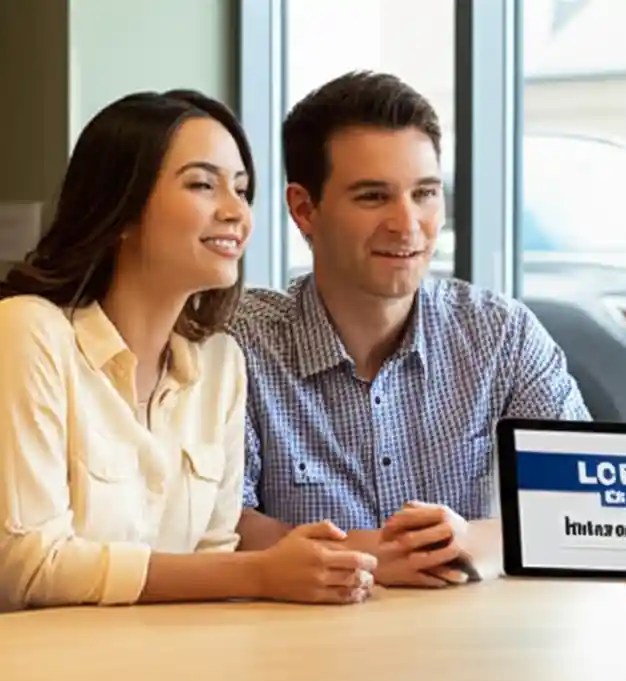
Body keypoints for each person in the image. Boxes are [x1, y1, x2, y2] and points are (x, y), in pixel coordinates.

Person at [0, 90, 378, 612]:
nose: (236, 213)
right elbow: (27, 567)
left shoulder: (222, 364)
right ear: (123, 208)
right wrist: (260, 572)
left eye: (242, 191)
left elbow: (213, 557)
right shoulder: (27, 331)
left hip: (176, 674)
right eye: (203, 184)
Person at [230, 71, 590, 589]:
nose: (408, 224)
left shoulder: (501, 335)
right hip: (299, 656)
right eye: (373, 197)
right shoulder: (241, 344)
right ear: (305, 209)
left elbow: (583, 506)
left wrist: (475, 543)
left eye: (424, 193)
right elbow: (222, 524)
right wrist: (369, 556)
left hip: (474, 653)